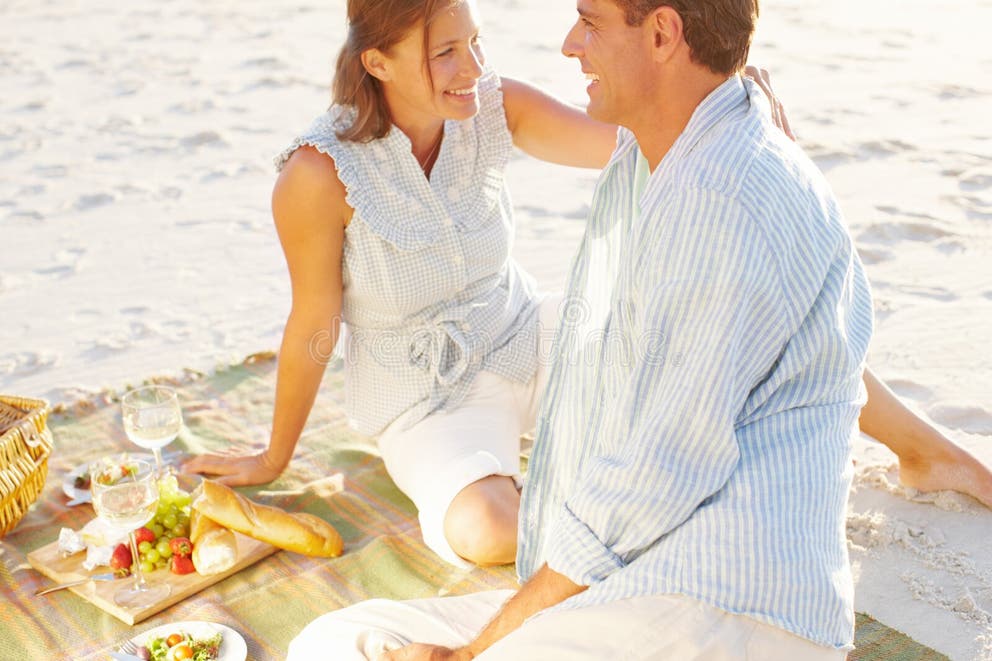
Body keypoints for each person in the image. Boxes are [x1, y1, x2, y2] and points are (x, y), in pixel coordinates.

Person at [184, 0, 992, 575]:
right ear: (377, 62)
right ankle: (609, 504)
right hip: (426, 398)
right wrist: (272, 454)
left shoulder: (491, 108)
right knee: (490, 530)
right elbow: (315, 326)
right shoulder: (318, 175)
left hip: (528, 335)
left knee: (760, 308)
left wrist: (734, 114)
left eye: (476, 42)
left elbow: (639, 142)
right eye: (445, 53)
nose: (473, 70)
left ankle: (928, 450)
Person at [287, 0, 873, 658]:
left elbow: (651, 481)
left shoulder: (718, 203)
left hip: (718, 601)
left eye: (589, 22)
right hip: (652, 564)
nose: (569, 44)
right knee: (336, 637)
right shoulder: (679, 151)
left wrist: (476, 650)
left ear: (662, 33)